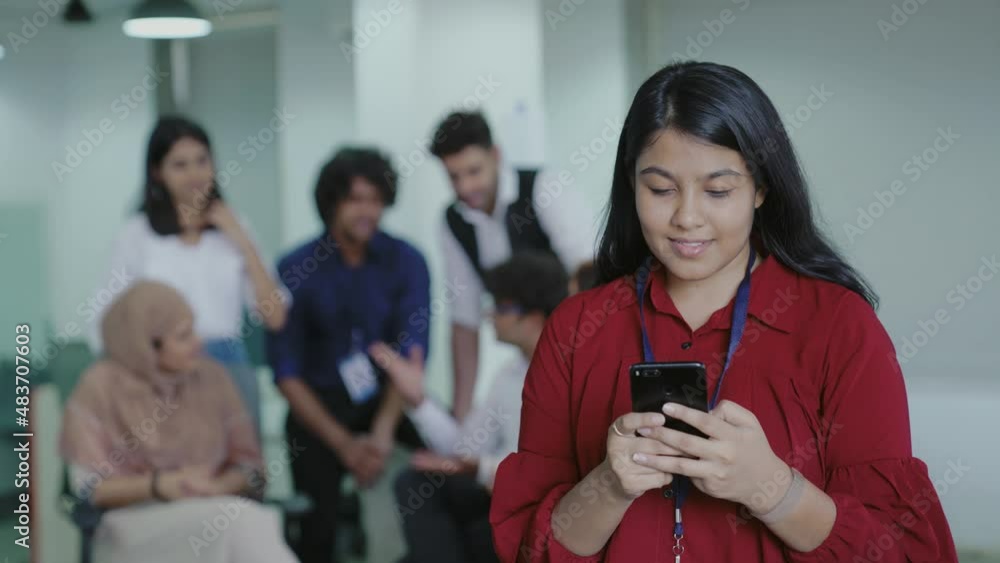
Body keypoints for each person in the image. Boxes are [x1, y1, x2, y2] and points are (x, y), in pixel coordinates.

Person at [490, 62, 958, 562]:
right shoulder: (576, 329)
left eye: (718, 190)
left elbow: (903, 551)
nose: (687, 217)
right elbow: (529, 552)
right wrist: (609, 484)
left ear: (760, 188)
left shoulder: (840, 328)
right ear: (632, 185)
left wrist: (772, 487)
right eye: (661, 189)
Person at [266, 147, 430, 563]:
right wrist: (344, 446)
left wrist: (380, 435)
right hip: (319, 408)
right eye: (355, 199)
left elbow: (412, 352)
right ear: (332, 202)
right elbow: (286, 372)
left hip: (387, 400)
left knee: (442, 469)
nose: (367, 211)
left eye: (375, 200)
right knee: (316, 530)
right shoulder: (294, 267)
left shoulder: (407, 261)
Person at [60, 281, 297, 563]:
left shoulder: (212, 378)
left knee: (244, 521)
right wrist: (158, 485)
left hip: (214, 506)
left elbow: (253, 472)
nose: (198, 343)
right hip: (131, 524)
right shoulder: (99, 386)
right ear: (147, 345)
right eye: (183, 336)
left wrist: (219, 486)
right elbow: (87, 489)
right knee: (244, 523)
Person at [87, 116, 287, 433]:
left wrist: (241, 240)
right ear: (157, 172)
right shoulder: (137, 235)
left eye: (202, 161)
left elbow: (275, 317)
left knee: (241, 475)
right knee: (178, 475)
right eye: (179, 165)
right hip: (162, 372)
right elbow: (103, 321)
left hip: (229, 365)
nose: (195, 174)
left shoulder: (236, 228)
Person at [371, 252, 568, 563]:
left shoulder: (569, 372)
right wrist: (418, 399)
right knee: (414, 483)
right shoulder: (509, 374)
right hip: (496, 494)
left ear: (533, 319)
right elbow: (464, 447)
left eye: (501, 307)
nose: (490, 316)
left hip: (542, 508)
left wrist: (479, 467)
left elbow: (552, 466)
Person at [429, 111, 594, 421]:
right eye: (453, 177)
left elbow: (591, 276)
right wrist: (461, 415)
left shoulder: (544, 188)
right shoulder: (452, 222)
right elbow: (464, 322)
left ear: (496, 155)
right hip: (527, 358)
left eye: (473, 171)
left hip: (579, 350)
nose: (465, 187)